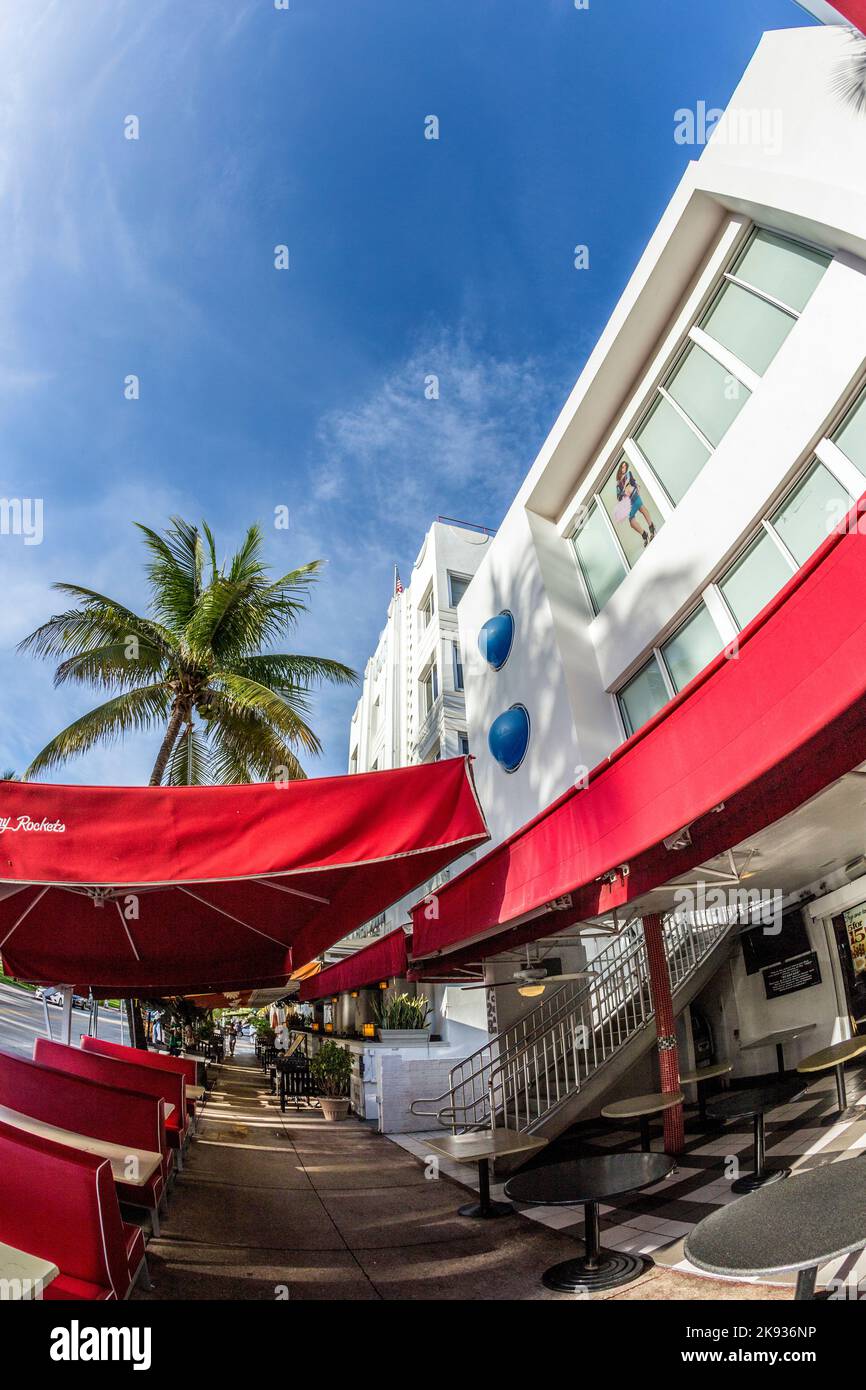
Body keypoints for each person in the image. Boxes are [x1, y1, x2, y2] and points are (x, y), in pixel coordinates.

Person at [615, 459, 655, 547]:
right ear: (620, 468)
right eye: (622, 466)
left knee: (642, 509)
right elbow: (619, 497)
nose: (624, 468)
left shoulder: (628, 474)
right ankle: (644, 534)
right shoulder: (618, 485)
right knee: (632, 522)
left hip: (635, 496)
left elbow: (634, 482)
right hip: (629, 503)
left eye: (625, 466)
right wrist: (624, 492)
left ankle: (651, 527)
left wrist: (636, 488)